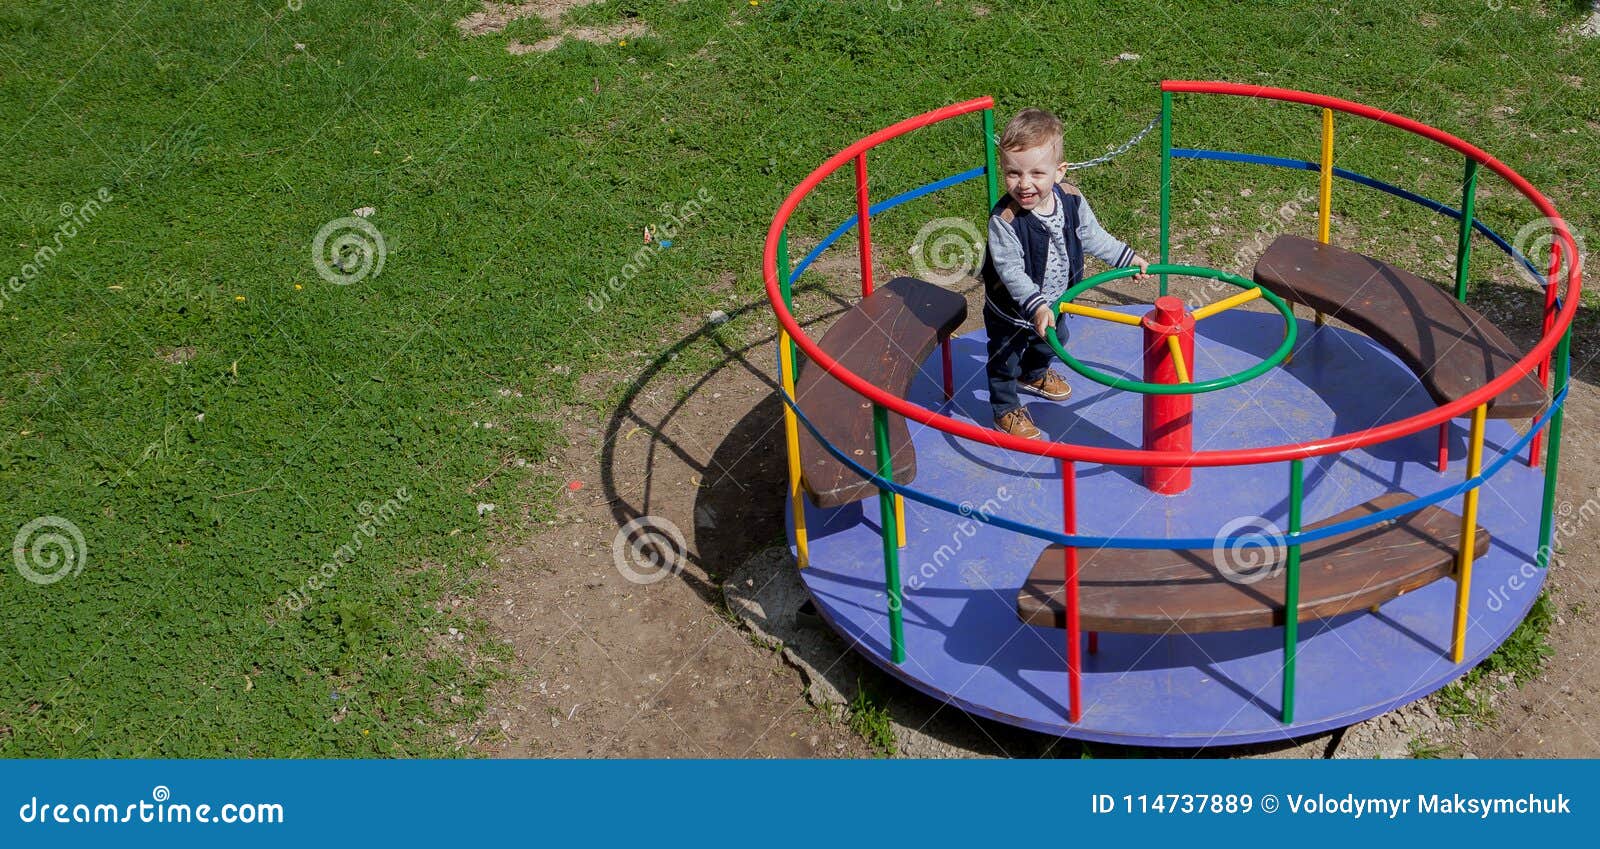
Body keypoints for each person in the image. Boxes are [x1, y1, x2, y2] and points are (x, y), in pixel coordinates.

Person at [980, 108, 1150, 439]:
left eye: (1036, 174)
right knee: (1005, 357)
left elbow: (1092, 236)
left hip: (1057, 300)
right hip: (1013, 308)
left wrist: (1126, 258)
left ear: (1059, 172)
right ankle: (1004, 407)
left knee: (1055, 341)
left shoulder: (1070, 198)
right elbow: (1011, 271)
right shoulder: (1005, 220)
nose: (1024, 184)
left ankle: (1034, 374)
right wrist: (1036, 305)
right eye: (1013, 173)